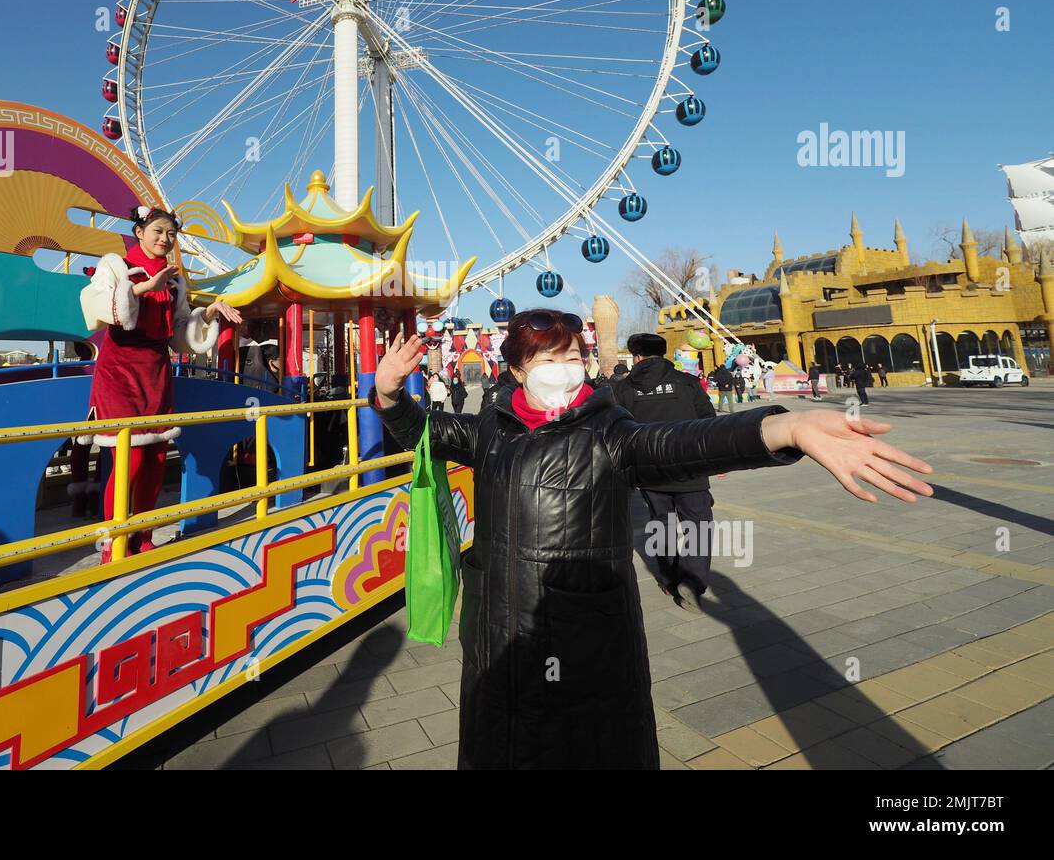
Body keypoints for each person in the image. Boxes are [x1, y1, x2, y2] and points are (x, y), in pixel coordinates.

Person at [370, 308, 932, 770]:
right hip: (499, 635)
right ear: (518, 370)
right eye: (549, 359)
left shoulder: (607, 430)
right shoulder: (493, 429)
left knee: (590, 749)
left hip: (587, 638)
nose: (566, 369)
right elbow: (425, 433)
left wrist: (783, 428)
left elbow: (681, 443)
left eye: (574, 357)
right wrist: (390, 393)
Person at [79, 206, 242, 560]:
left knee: (155, 459)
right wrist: (140, 290)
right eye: (158, 231)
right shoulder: (116, 266)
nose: (165, 239)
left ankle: (143, 533)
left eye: (171, 234)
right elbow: (98, 310)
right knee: (130, 458)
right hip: (119, 372)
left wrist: (209, 314)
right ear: (139, 231)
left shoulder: (174, 281)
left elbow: (180, 335)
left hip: (156, 371)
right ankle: (113, 539)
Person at [611, 333, 719, 609]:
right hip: (690, 468)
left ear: (636, 357)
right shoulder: (687, 383)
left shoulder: (623, 390)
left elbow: (615, 431)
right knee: (698, 523)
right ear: (663, 353)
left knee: (661, 521)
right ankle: (692, 581)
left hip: (649, 470)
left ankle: (669, 577)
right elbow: (709, 422)